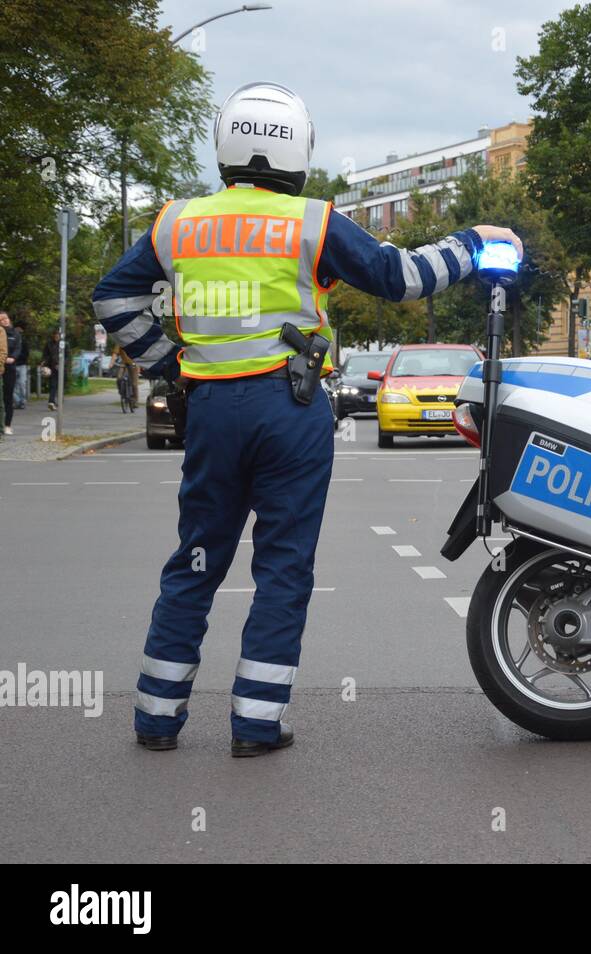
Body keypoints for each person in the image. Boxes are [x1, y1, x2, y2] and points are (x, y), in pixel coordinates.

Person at [93, 82, 521, 758]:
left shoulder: (176, 222)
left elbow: (113, 298)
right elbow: (400, 276)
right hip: (288, 410)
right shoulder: (311, 222)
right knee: (283, 567)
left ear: (227, 145)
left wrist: (171, 366)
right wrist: (472, 243)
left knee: (196, 560)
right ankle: (255, 724)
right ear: (297, 148)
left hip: (211, 412)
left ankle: (156, 716)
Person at [10, 316, 29, 411]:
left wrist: (18, 358)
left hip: (21, 365)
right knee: (13, 385)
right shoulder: (11, 338)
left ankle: (22, 401)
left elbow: (26, 353)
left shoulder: (24, 340)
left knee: (21, 383)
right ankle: (17, 401)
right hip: (13, 364)